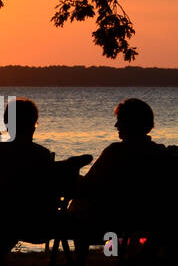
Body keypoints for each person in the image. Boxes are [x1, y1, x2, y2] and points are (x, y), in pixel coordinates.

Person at [70, 98, 170, 235]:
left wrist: (70, 176)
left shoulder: (115, 152)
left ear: (130, 123)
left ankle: (80, 256)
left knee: (77, 205)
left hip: (107, 221)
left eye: (120, 120)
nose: (116, 125)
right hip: (148, 219)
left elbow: (87, 185)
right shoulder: (159, 152)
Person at [0, 98, 56, 252]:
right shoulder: (43, 154)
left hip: (1, 223)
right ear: (33, 125)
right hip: (40, 225)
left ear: (7, 124)